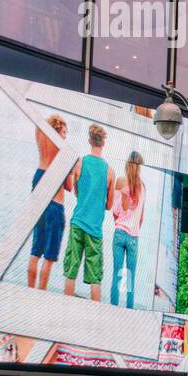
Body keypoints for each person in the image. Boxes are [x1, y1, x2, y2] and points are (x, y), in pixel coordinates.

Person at [63, 124, 116, 302]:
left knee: (71, 272)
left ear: (89, 141)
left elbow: (76, 192)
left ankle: (65, 308)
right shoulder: (110, 171)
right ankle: (95, 317)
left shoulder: (80, 163)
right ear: (104, 143)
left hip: (77, 223)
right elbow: (109, 205)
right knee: (95, 278)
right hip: (94, 229)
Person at [27, 115, 69, 291]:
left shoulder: (39, 135)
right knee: (49, 257)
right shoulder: (61, 149)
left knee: (35, 251)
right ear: (58, 131)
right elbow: (67, 185)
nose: (66, 136)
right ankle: (40, 294)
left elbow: (40, 123)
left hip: (38, 177)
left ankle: (29, 291)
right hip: (55, 202)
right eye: (65, 132)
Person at [109, 151, 146, 308]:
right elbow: (142, 217)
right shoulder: (143, 187)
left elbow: (116, 211)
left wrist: (119, 223)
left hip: (119, 233)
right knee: (130, 277)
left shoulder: (120, 181)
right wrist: (134, 228)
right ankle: (129, 310)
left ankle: (113, 308)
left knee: (117, 274)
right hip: (133, 237)